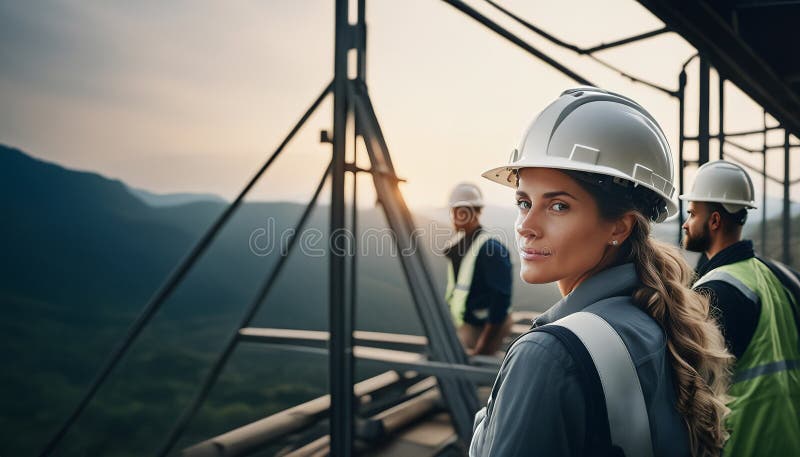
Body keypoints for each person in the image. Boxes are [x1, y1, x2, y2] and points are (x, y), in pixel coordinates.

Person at [469, 87, 731, 457]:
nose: (526, 225)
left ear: (619, 228)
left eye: (558, 205)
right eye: (523, 202)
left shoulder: (545, 357)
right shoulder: (654, 323)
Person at [680, 160, 800, 456]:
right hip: (787, 437)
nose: (685, 223)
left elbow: (690, 391)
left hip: (744, 442)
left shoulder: (715, 293)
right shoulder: (774, 275)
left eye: (692, 214)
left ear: (715, 221)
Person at [444, 182, 513, 356]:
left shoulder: (491, 249)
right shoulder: (460, 244)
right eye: (455, 211)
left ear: (476, 212)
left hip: (483, 329)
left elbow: (500, 299)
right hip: (466, 323)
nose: (457, 216)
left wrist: (483, 346)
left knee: (464, 375)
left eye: (463, 211)